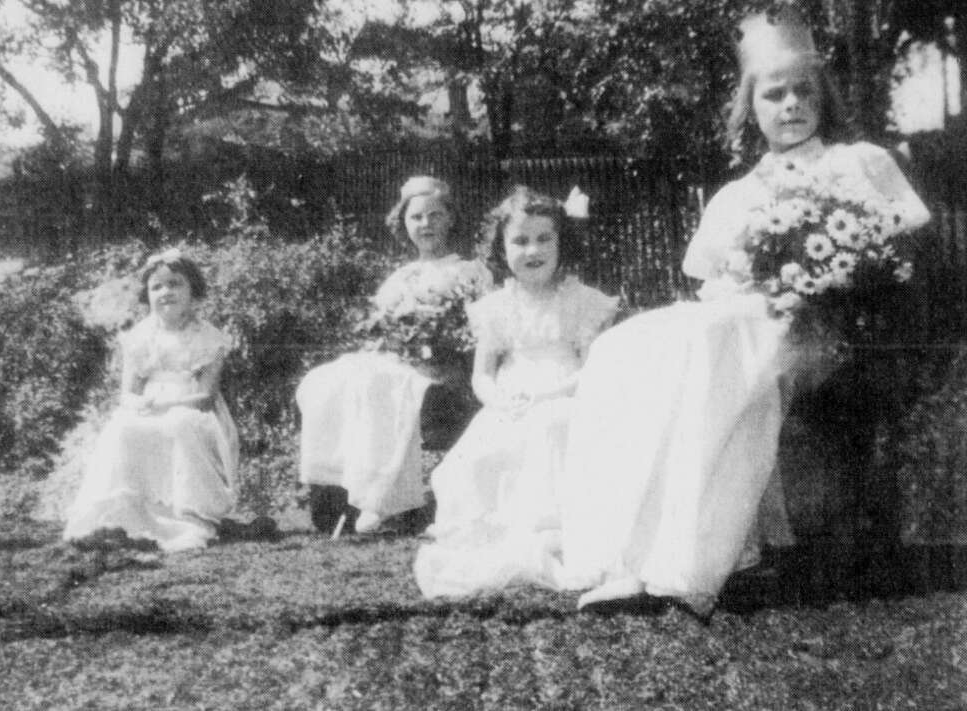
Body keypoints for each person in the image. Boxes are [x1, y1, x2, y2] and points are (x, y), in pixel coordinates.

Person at [560, 9, 931, 617]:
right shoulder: (740, 193)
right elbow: (717, 284)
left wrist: (833, 279)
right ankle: (631, 554)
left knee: (713, 348)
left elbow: (900, 251)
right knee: (623, 346)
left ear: (824, 98)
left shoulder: (860, 162)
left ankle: (694, 565)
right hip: (746, 316)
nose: (790, 105)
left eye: (802, 91)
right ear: (750, 107)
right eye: (774, 94)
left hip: (827, 325)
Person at [413, 187, 618, 598]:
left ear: (562, 243)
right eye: (520, 241)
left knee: (552, 431)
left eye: (544, 239)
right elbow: (482, 375)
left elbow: (595, 369)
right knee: (478, 458)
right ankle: (502, 540)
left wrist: (552, 394)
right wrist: (497, 400)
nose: (533, 250)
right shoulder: (497, 307)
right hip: (511, 400)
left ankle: (558, 540)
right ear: (501, 248)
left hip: (570, 393)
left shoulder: (581, 301)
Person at [296, 176, 493, 534]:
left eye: (435, 215)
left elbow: (484, 333)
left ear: (451, 218)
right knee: (323, 379)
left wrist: (442, 338)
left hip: (445, 374)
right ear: (404, 223)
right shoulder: (399, 277)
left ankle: (381, 500)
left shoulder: (469, 271)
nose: (426, 224)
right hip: (398, 363)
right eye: (416, 217)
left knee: (378, 380)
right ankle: (334, 487)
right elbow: (379, 327)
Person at [64, 248, 238, 552]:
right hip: (149, 407)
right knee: (122, 429)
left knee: (180, 425)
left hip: (192, 408)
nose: (166, 292)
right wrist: (139, 405)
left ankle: (186, 518)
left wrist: (168, 406)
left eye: (175, 284)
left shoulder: (208, 337)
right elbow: (128, 392)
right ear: (147, 295)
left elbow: (207, 397)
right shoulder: (139, 338)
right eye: (157, 286)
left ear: (192, 291)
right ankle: (127, 518)